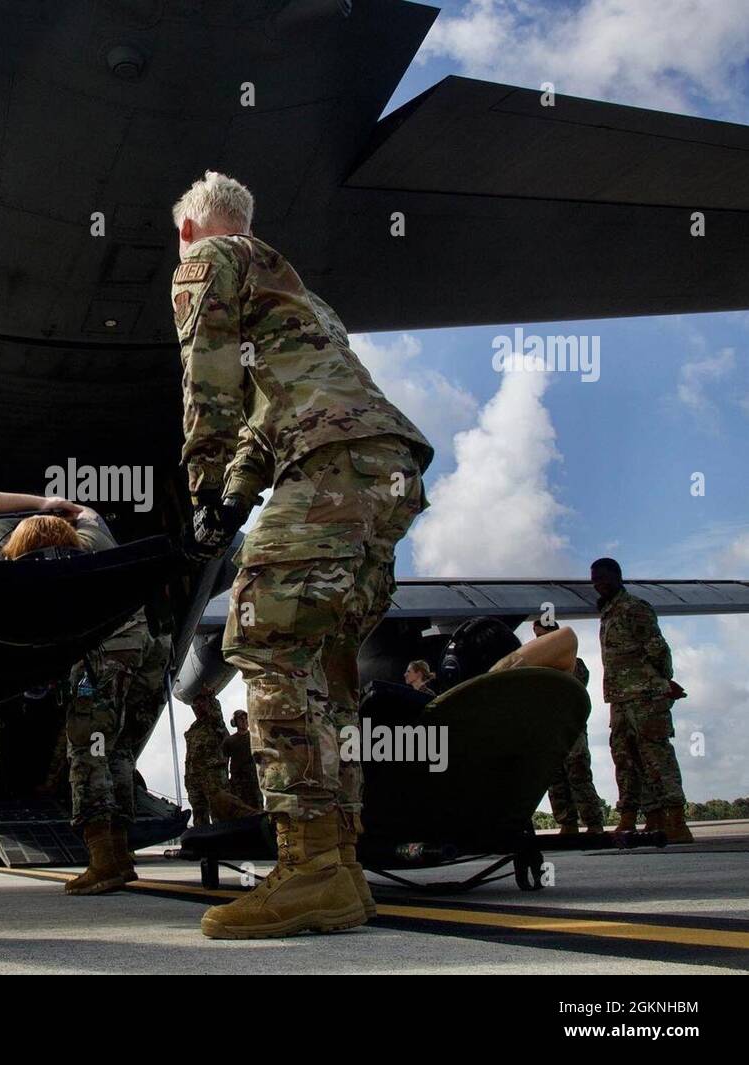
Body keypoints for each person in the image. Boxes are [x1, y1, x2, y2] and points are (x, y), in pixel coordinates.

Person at [170, 171, 433, 938]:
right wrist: (237, 497)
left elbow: (208, 377)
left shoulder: (207, 262)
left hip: (329, 464)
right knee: (326, 668)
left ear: (189, 230)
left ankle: (308, 866)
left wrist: (201, 487)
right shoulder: (305, 300)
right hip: (383, 467)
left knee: (260, 639)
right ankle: (341, 866)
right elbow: (266, 417)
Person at [0, 496, 171, 895]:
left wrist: (33, 504)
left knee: (88, 751)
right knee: (118, 749)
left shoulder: (23, 568)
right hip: (154, 645)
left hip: (107, 651)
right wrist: (57, 504)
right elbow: (89, 514)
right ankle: (120, 855)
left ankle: (103, 859)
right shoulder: (93, 542)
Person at [591, 558, 692, 843]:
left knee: (657, 758)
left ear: (617, 576)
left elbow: (658, 648)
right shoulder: (608, 612)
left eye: (603, 578)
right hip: (620, 698)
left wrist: (660, 682)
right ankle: (649, 817)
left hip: (645, 696)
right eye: (595, 580)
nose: (598, 584)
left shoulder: (634, 608)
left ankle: (677, 821)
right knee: (625, 760)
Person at [531, 621, 605, 835]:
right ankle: (567, 823)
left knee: (578, 773)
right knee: (554, 778)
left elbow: (574, 686)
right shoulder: (536, 666)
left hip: (571, 729)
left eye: (544, 636)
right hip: (549, 730)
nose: (540, 641)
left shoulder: (575, 663)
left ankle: (593, 822)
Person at [183, 693, 230, 827]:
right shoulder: (193, 728)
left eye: (202, 703)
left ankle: (225, 844)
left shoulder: (215, 724)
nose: (198, 707)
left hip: (213, 778)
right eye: (196, 705)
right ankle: (202, 845)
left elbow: (217, 716)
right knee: (199, 816)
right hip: (194, 779)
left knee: (220, 813)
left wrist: (211, 697)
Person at [223, 709, 262, 811]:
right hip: (238, 783)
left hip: (254, 781)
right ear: (235, 722)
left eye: (246, 718)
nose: (244, 721)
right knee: (240, 811)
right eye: (241, 719)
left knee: (258, 810)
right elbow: (225, 762)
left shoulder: (256, 737)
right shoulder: (229, 741)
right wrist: (226, 781)